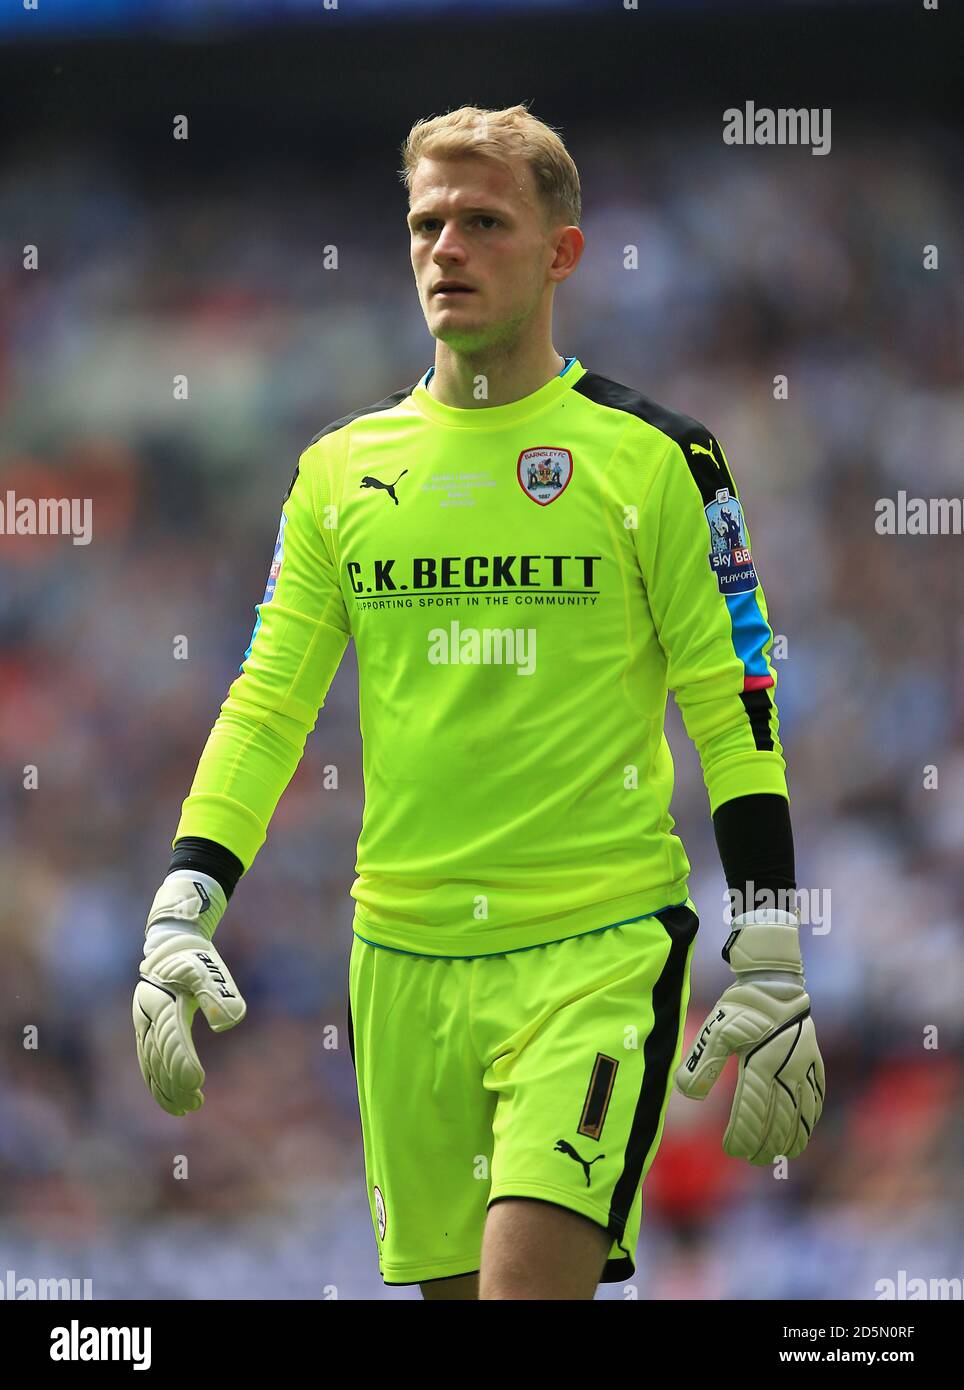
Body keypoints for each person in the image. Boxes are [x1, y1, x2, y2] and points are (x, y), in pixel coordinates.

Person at [132, 103, 824, 1301]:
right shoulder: (341, 472)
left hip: (595, 951)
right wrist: (185, 897)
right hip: (400, 960)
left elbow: (736, 699)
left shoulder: (659, 458)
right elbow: (267, 704)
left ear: (560, 252)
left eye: (483, 222)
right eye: (426, 223)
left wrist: (767, 940)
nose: (446, 248)